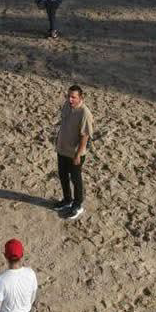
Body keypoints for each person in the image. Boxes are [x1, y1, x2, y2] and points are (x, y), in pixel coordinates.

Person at [52, 84, 92, 220]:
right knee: (62, 176)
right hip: (62, 149)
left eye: (73, 97)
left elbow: (84, 137)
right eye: (68, 96)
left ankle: (78, 205)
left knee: (76, 180)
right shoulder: (67, 105)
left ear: (80, 97)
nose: (70, 99)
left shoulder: (84, 113)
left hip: (75, 154)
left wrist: (78, 155)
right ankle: (67, 200)